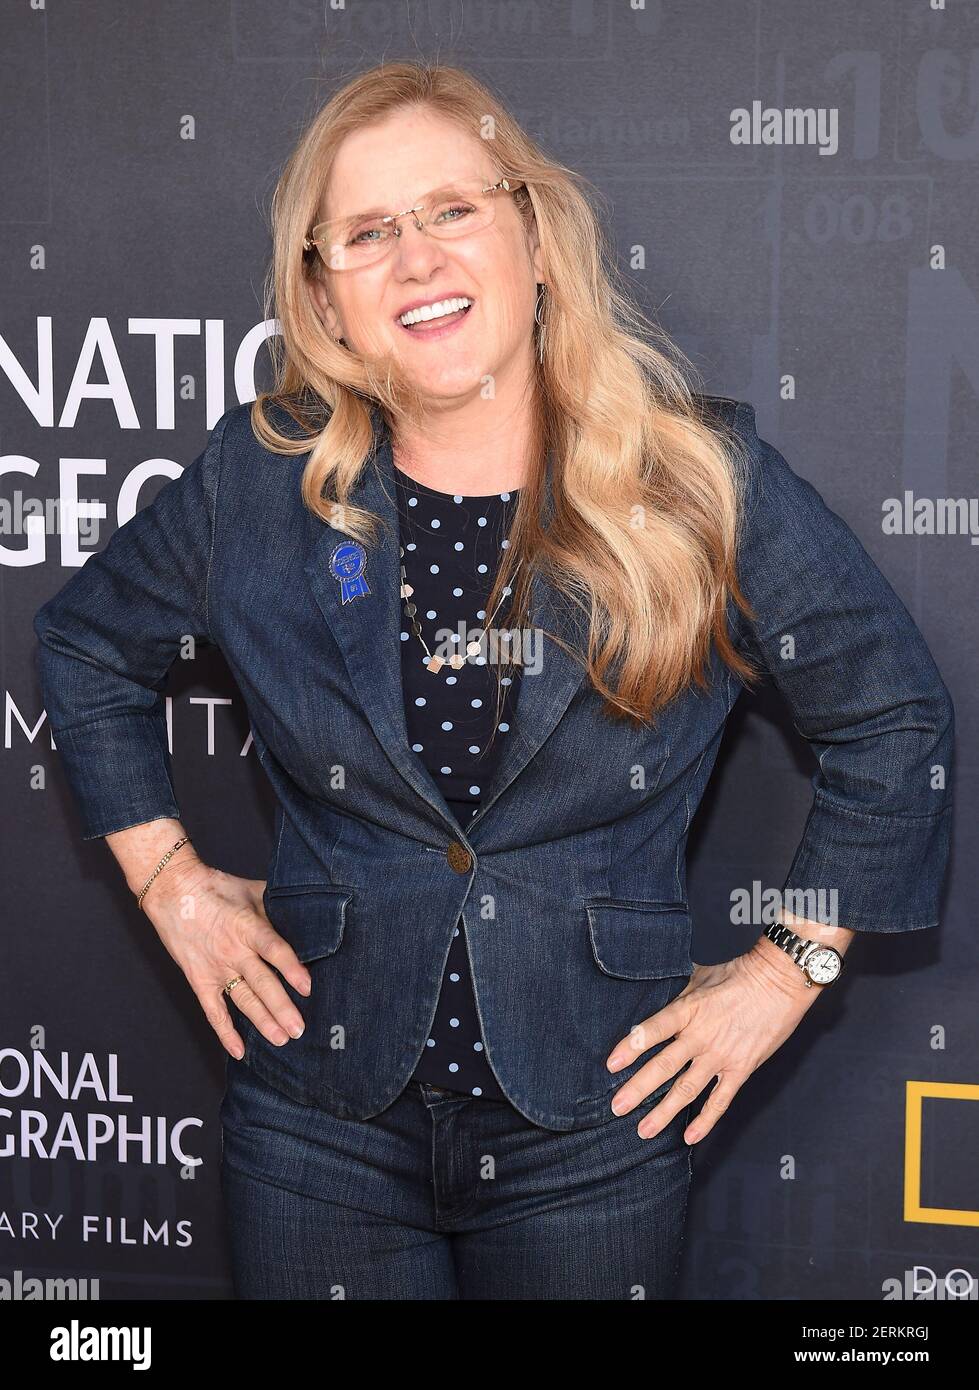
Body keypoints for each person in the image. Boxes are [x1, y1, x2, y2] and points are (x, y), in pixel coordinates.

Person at [33, 61, 954, 1301]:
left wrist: (792, 966)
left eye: (452, 209)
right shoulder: (259, 479)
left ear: (534, 239)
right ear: (324, 295)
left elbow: (895, 717)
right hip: (318, 1129)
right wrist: (168, 879)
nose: (415, 259)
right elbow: (86, 645)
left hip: (596, 1126)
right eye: (366, 233)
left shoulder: (694, 474)